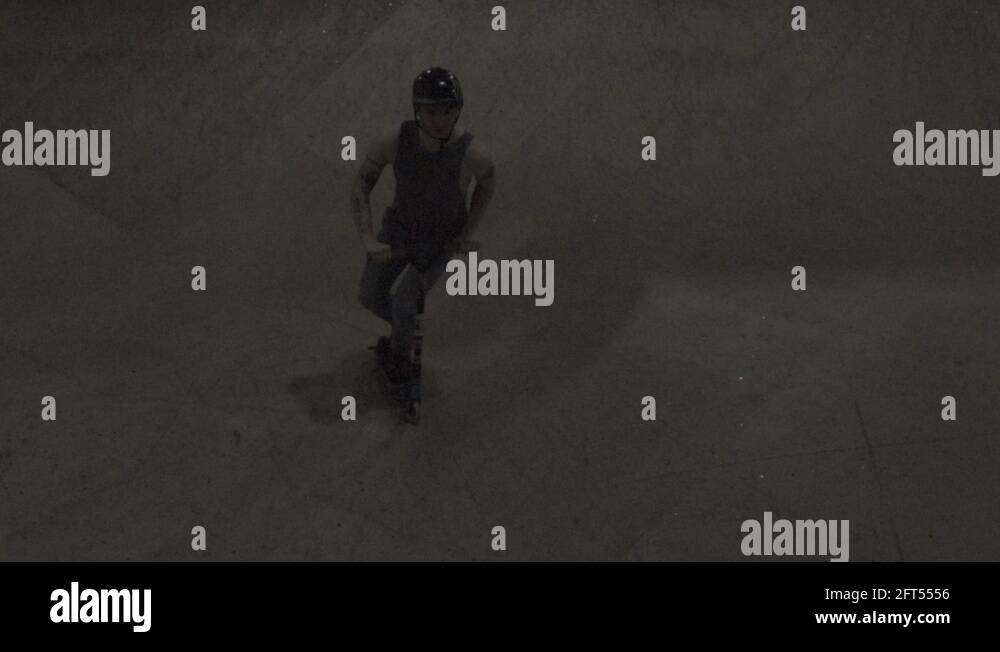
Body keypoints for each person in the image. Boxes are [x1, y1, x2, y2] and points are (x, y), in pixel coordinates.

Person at [352, 67, 496, 383]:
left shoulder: (473, 153)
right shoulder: (392, 140)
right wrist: (367, 238)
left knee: (405, 301)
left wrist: (469, 232)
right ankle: (404, 330)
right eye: (432, 112)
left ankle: (400, 357)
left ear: (457, 111)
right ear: (418, 110)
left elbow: (487, 184)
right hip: (399, 230)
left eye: (447, 112)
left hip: (440, 241)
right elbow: (362, 185)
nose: (440, 120)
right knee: (369, 296)